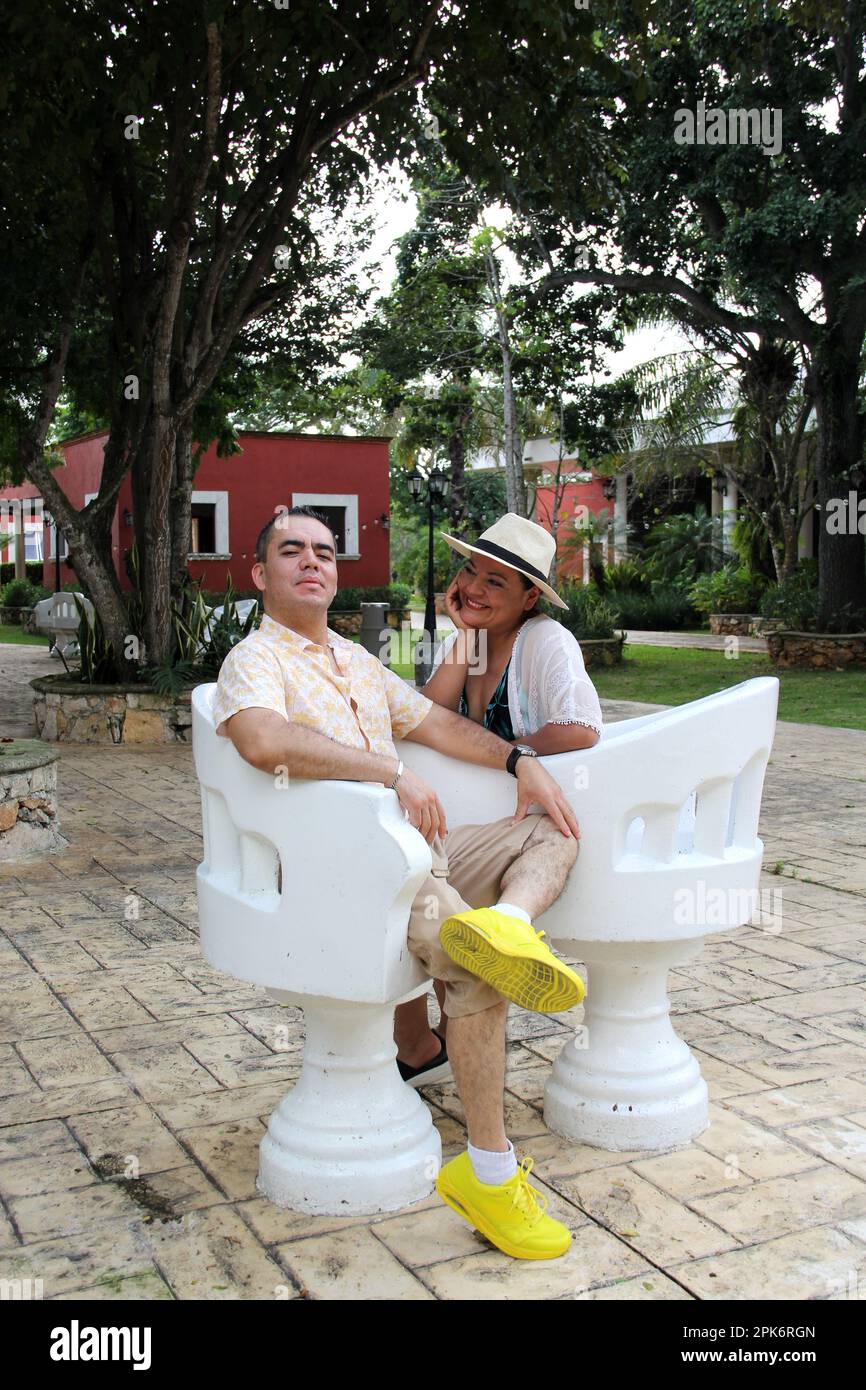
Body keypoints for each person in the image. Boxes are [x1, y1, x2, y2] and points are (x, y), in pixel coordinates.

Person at [211, 506, 585, 1260]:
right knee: (484, 975)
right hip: (344, 873)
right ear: (260, 575)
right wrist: (391, 770)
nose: (312, 560)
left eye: (324, 550)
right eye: (291, 551)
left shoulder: (354, 659)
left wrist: (522, 764)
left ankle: (507, 920)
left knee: (556, 828)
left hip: (419, 859)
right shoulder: (255, 659)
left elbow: (437, 723)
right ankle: (489, 1170)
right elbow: (261, 738)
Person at [394, 513, 603, 1087]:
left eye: (496, 582)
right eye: (471, 572)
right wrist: (465, 635)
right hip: (470, 824)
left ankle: (436, 1044)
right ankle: (424, 1049)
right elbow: (426, 719)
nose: (475, 589)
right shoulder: (476, 643)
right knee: (417, 896)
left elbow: (581, 727)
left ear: (531, 595)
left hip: (525, 825)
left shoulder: (544, 641)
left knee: (438, 907)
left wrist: (508, 752)